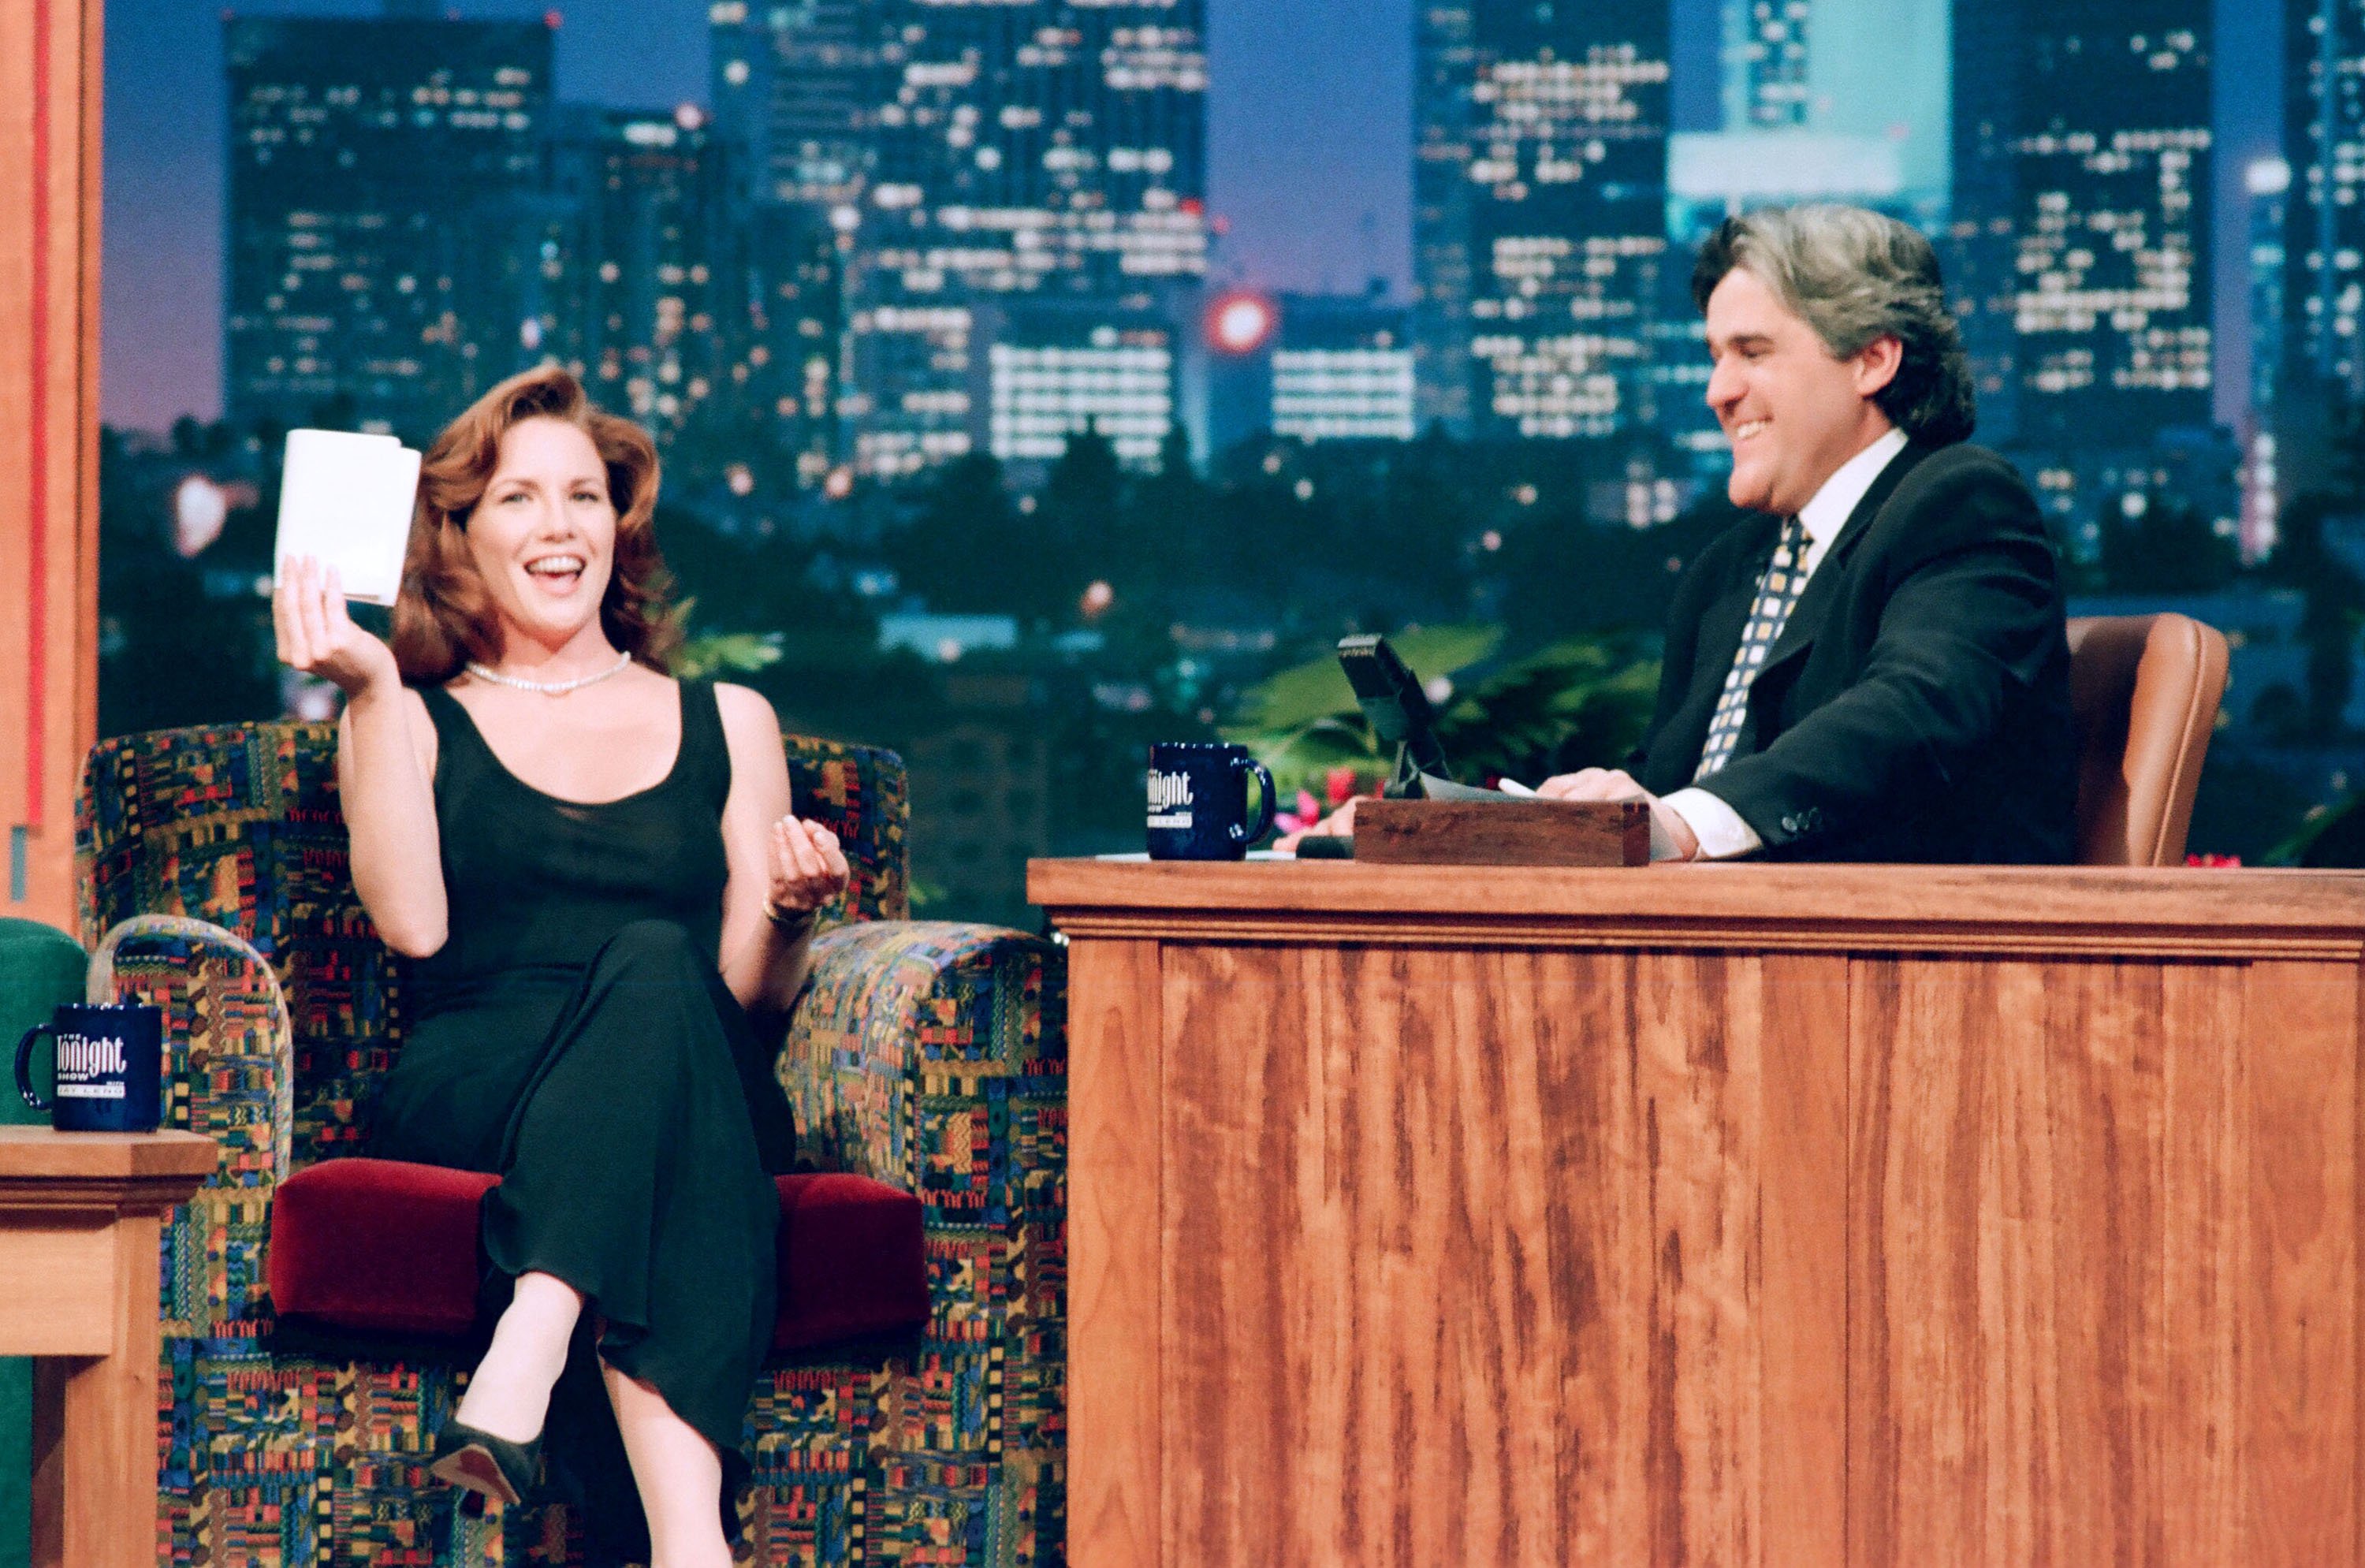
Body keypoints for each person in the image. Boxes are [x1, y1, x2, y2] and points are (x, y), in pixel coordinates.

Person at [273, 364, 848, 1568]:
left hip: (687, 1060)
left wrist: (791, 910)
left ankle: (528, 1347)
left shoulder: (730, 719)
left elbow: (744, 993)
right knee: (671, 1138)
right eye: (522, 499)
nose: (559, 528)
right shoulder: (412, 713)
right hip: (480, 1084)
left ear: (618, 528)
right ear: (463, 533)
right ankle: (695, 1547)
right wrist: (372, 688)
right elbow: (414, 925)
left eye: (584, 498)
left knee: (655, 978)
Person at [1285, 204, 2075, 862]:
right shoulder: (1732, 570)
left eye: (1752, 353)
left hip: (1897, 987)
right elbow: (1664, 786)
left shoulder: (1963, 504)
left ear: (1872, 360)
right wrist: (1452, 832)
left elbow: (1911, 715)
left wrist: (1680, 823)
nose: (1718, 391)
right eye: (1713, 356)